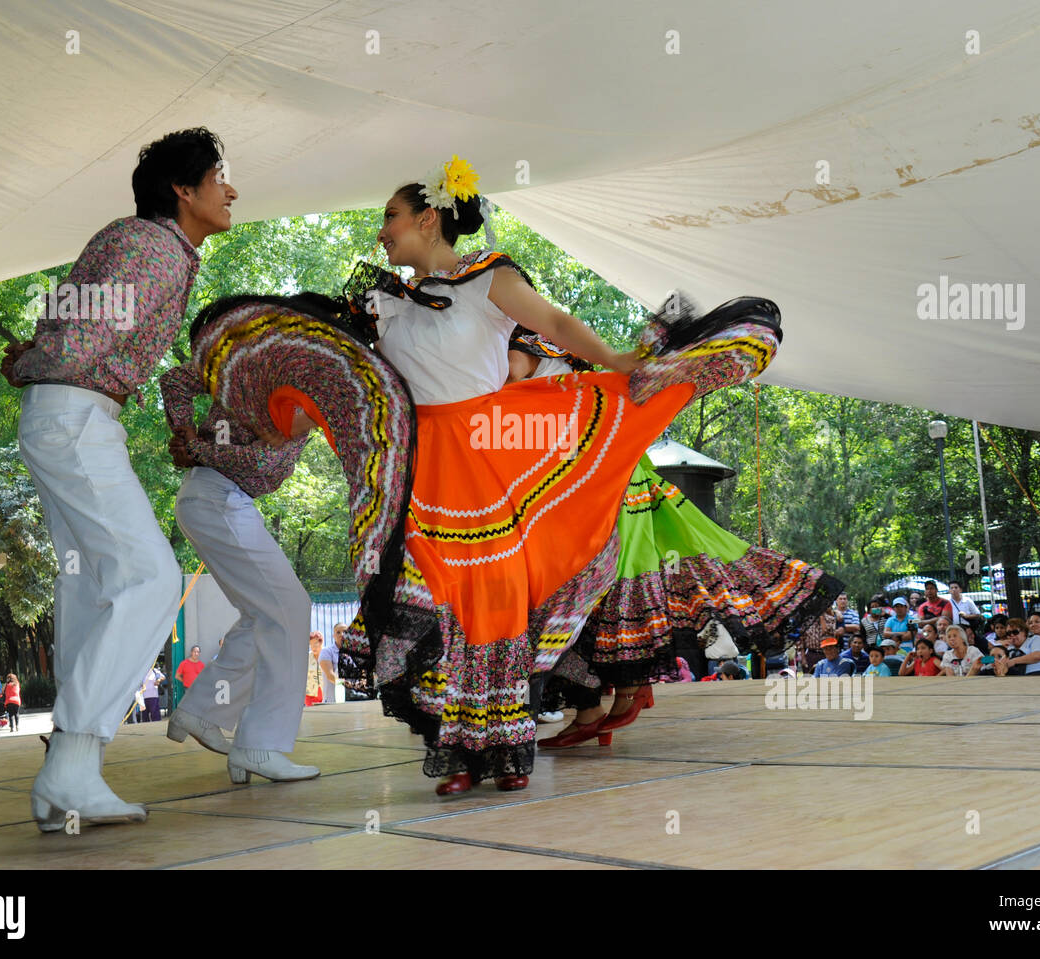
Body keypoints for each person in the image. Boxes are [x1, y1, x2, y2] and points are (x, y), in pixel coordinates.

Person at [322, 158, 783, 796]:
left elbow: (558, 326)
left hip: (493, 454)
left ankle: (499, 747)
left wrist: (618, 360)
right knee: (437, 601)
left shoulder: (488, 279)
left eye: (390, 218)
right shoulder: (378, 302)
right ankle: (455, 749)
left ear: (428, 219)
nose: (382, 233)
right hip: (423, 465)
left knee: (494, 598)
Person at [0, 127, 236, 832]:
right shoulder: (152, 248)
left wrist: (38, 357)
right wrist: (44, 358)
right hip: (75, 419)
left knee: (91, 586)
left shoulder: (144, 245)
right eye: (218, 176)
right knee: (151, 580)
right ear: (182, 191)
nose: (231, 189)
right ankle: (71, 761)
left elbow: (67, 333)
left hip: (66, 415)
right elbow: (77, 343)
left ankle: (69, 778)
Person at [515, 333, 840, 746]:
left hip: (599, 483)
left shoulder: (523, 348)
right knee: (594, 594)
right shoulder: (564, 349)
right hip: (599, 476)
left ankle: (623, 691)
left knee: (595, 588)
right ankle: (601, 702)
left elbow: (519, 393)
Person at [160, 321, 317, 783]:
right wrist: (192, 441)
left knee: (263, 616)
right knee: (290, 611)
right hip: (219, 498)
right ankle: (261, 745)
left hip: (214, 498)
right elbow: (262, 459)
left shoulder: (254, 367)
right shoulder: (268, 372)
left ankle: (204, 709)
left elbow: (176, 381)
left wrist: (192, 441)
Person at [305, 632, 325, 706]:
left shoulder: (327, 655)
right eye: (311, 644)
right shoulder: (306, 657)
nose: (313, 647)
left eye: (315, 643)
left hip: (325, 693)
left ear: (321, 642)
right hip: (310, 694)